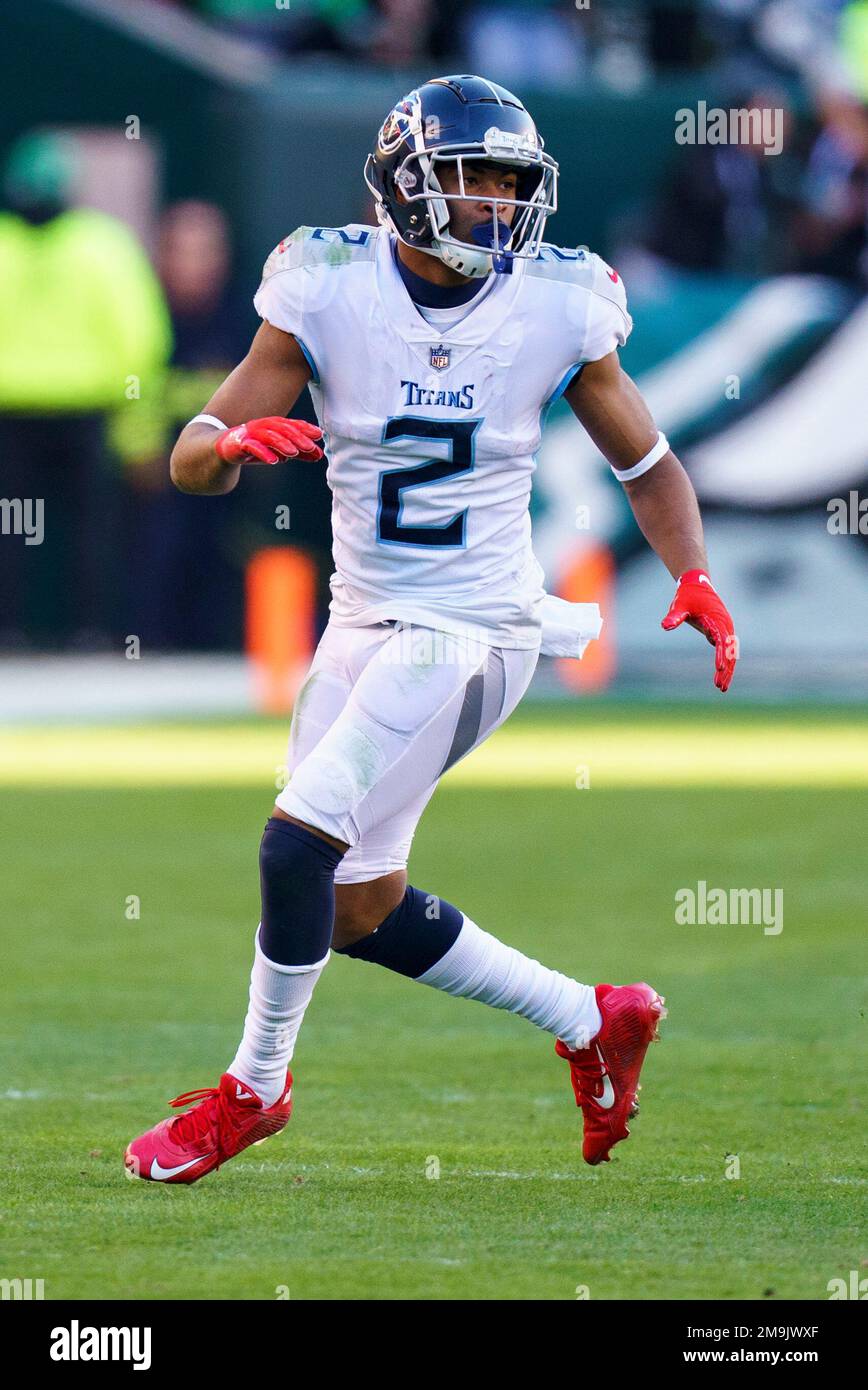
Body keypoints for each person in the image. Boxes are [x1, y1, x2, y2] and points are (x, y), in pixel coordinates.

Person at [125, 76, 737, 1185]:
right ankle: (594, 1019)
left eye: (513, 188)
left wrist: (694, 575)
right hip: (363, 618)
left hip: (474, 625)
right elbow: (188, 455)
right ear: (407, 189)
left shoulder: (557, 301)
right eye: (474, 185)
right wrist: (226, 448)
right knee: (357, 906)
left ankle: (253, 1090)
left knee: (292, 840)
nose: (499, 211)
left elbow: (643, 460)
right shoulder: (326, 284)